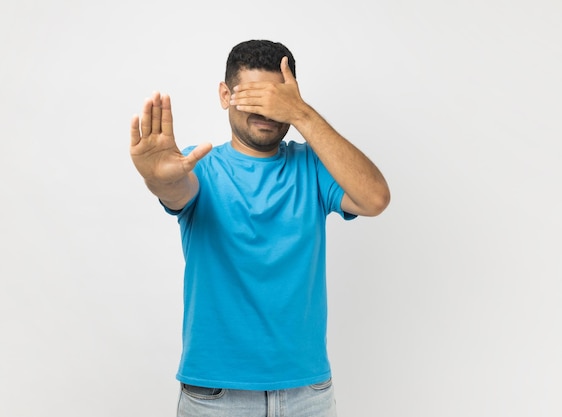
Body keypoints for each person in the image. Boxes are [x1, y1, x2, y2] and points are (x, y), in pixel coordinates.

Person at [129, 40, 390, 417]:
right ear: (225, 95)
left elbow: (375, 199)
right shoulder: (199, 167)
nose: (266, 113)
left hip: (307, 393)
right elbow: (176, 189)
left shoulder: (312, 167)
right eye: (253, 99)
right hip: (216, 395)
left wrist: (303, 114)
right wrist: (158, 179)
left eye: (277, 100)